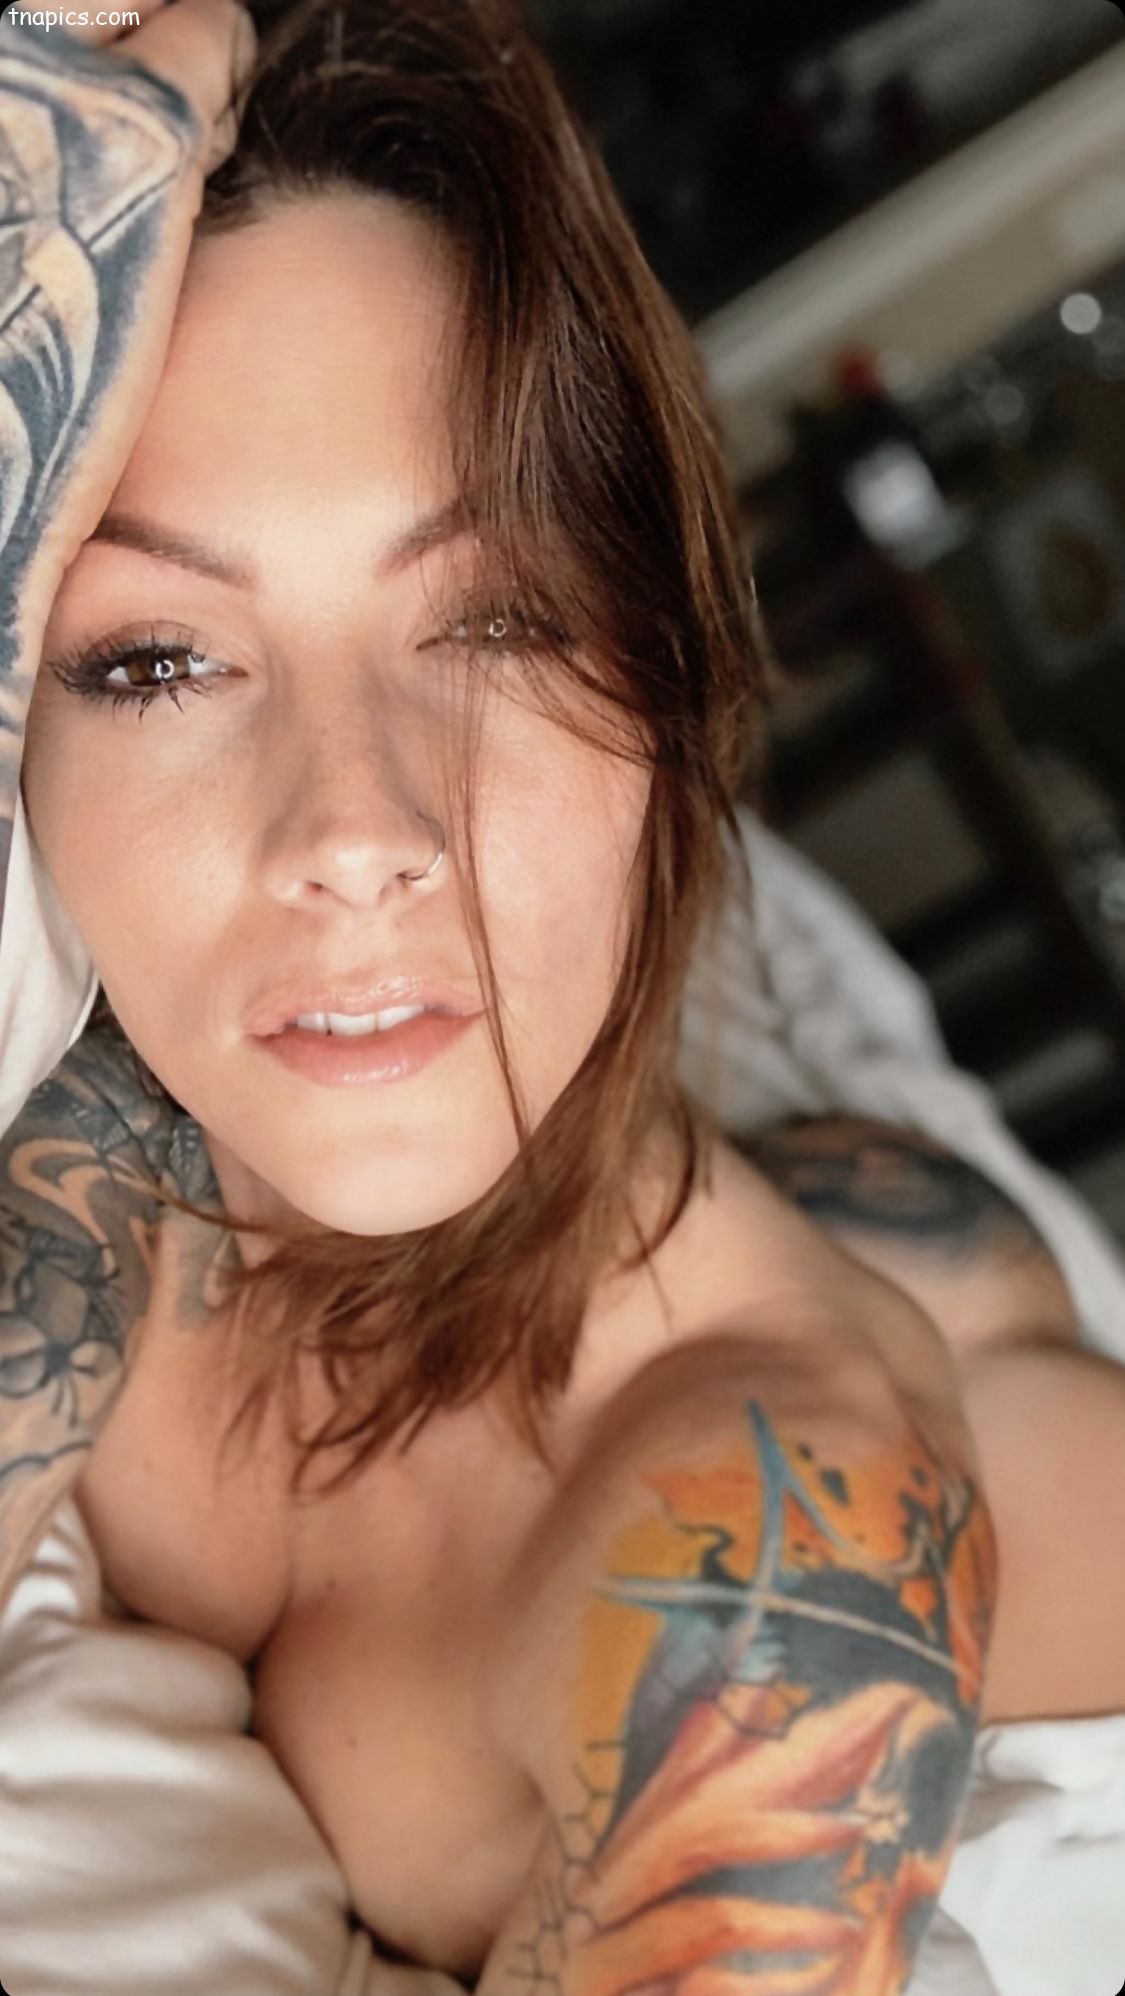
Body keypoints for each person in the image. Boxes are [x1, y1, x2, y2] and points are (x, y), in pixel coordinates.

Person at [6, 0, 1113, 1988]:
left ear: (668, 672)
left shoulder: (768, 1575)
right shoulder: (99, 1146)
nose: (354, 833)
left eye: (498, 621)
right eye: (156, 658)